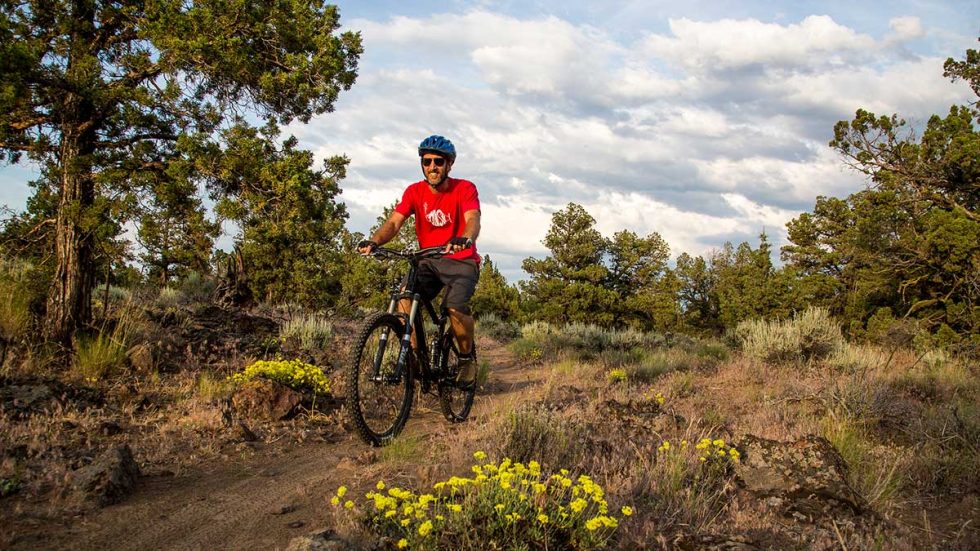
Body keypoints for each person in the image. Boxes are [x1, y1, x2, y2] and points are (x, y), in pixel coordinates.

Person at [357, 135, 481, 387]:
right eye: (427, 162)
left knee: (455, 307)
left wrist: (465, 238)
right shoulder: (414, 192)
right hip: (428, 261)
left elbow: (472, 220)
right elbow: (393, 223)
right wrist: (374, 241)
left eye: (438, 161)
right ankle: (412, 355)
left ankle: (467, 359)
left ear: (449, 164)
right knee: (404, 298)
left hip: (461, 260)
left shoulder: (465, 188)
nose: (432, 167)